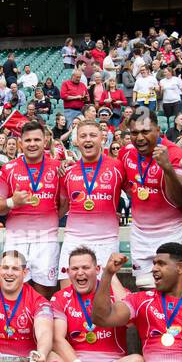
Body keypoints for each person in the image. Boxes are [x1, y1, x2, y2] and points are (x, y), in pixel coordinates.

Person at [45, 246, 143, 362]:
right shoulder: (61, 297)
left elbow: (131, 321)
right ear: (68, 272)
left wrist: (109, 275)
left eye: (85, 267)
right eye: (75, 268)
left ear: (97, 269)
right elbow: (57, 339)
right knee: (50, 356)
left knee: (137, 360)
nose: (80, 273)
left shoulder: (114, 292)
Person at [118, 113, 182, 286]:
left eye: (145, 132)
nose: (139, 138)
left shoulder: (176, 154)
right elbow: (127, 185)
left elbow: (179, 200)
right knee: (145, 291)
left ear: (158, 130)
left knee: (173, 290)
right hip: (141, 236)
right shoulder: (126, 153)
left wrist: (167, 168)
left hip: (173, 233)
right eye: (134, 133)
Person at [0, 121, 61, 297]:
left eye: (37, 139)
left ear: (45, 141)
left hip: (47, 239)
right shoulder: (9, 169)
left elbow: (64, 203)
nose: (32, 144)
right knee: (14, 290)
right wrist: (12, 202)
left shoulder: (57, 167)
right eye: (28, 140)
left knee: (44, 292)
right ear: (21, 143)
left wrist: (47, 218)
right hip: (16, 239)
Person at [57, 119, 126, 282]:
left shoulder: (118, 167)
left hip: (106, 240)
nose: (88, 139)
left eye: (93, 135)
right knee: (68, 294)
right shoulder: (67, 171)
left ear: (102, 138)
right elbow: (60, 208)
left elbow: (137, 195)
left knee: (107, 297)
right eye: (83, 136)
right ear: (76, 141)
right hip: (74, 240)